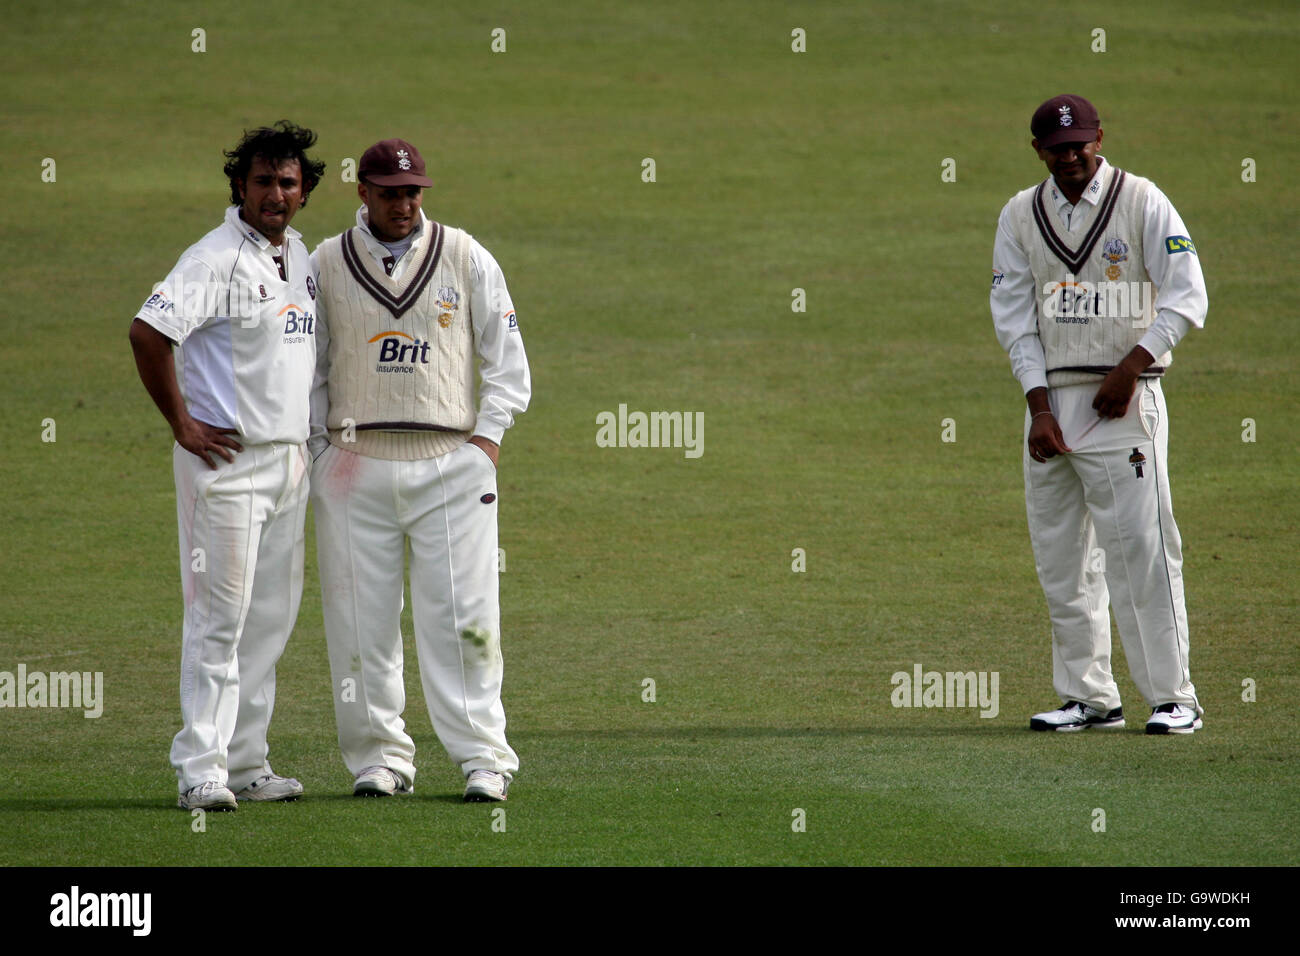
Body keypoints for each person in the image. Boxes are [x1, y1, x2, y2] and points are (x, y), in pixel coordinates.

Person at [308, 138, 530, 801]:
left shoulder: (464, 255)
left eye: (412, 192)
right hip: (355, 468)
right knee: (359, 625)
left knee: (463, 618)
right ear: (363, 193)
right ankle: (380, 761)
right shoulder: (325, 262)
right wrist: (321, 449)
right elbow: (309, 367)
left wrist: (485, 442)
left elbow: (507, 361)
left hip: (451, 465)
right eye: (389, 192)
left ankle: (483, 759)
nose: (403, 204)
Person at [989, 95, 1208, 735]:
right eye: (1057, 147)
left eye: (1079, 142)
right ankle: (1089, 697)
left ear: (1099, 138)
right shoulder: (1019, 215)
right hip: (1053, 407)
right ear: (1039, 151)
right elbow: (1015, 320)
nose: (1070, 154)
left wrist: (1132, 366)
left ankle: (1175, 698)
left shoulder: (1141, 200)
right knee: (1062, 556)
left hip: (1126, 405)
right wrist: (1037, 406)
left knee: (1140, 550)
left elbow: (1187, 295)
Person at [129, 121, 325, 809]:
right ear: (240, 186)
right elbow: (148, 333)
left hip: (288, 464)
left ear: (305, 192)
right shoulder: (213, 257)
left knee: (271, 618)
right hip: (228, 465)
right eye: (264, 180)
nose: (276, 193)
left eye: (288, 182)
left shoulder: (297, 256)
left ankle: (246, 761)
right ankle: (200, 769)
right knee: (219, 618)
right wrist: (182, 424)